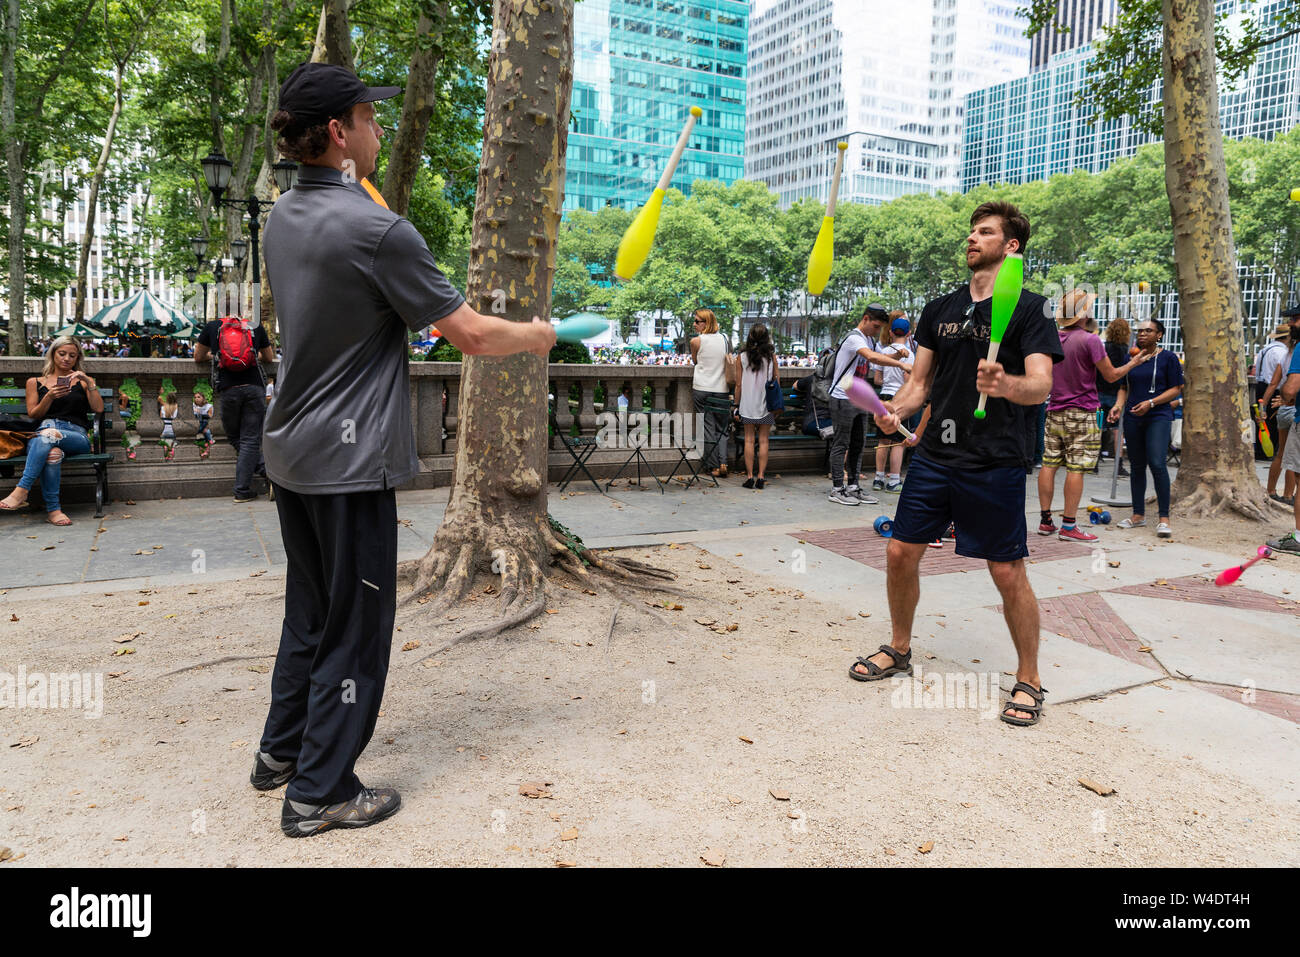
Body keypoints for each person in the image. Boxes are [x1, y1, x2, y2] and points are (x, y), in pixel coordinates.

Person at [254, 61, 556, 839]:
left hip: (290, 450)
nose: (380, 128)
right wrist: (539, 333)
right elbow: (475, 335)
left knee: (310, 613)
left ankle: (280, 754)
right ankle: (320, 792)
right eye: (369, 117)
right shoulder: (378, 229)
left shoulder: (281, 217)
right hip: (349, 464)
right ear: (337, 133)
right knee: (356, 628)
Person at [849, 201, 1063, 727]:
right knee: (900, 551)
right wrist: (894, 410)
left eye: (985, 232)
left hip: (996, 459)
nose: (972, 238)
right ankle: (900, 649)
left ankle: (1030, 679)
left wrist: (1005, 384)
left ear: (1011, 246)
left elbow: (1040, 386)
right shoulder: (940, 308)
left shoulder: (1031, 309)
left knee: (1006, 570)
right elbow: (920, 384)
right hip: (937, 455)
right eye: (971, 231)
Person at [1038, 291, 1151, 541]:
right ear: (1083, 314)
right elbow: (1111, 376)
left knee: (1049, 464)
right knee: (1076, 468)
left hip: (1054, 409)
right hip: (1083, 410)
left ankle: (1046, 521)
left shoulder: (1052, 339)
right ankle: (1068, 526)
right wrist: (1134, 363)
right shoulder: (1090, 341)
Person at [0, 336, 103, 526]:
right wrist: (48, 397)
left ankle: (22, 490)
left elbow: (98, 409)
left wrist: (88, 382)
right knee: (52, 452)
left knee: (47, 437)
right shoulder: (35, 382)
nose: (66, 359)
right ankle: (54, 511)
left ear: (77, 357)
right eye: (62, 354)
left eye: (72, 355)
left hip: (75, 435)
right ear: (53, 354)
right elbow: (34, 413)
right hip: (42, 432)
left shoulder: (82, 382)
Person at [826, 303, 911, 506]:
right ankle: (837, 488)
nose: (877, 330)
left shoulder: (868, 340)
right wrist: (900, 364)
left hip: (860, 399)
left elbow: (877, 361)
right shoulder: (854, 338)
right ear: (865, 319)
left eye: (880, 327)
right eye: (875, 326)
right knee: (841, 444)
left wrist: (896, 356)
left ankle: (853, 487)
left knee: (858, 444)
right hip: (842, 397)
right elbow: (871, 356)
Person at [1108, 317, 1184, 538]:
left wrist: (1151, 403)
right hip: (1133, 416)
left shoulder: (1169, 358)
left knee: (1157, 463)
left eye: (1148, 331)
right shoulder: (1131, 358)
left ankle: (1163, 518)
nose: (1142, 334)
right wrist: (1118, 405)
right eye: (1139, 331)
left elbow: (1176, 389)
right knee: (1137, 465)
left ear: (1159, 335)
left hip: (1158, 415)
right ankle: (1138, 515)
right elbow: (1124, 386)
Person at [194, 314, 274, 503]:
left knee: (235, 437)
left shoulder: (213, 327)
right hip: (254, 387)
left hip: (228, 388)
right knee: (250, 439)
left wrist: (215, 355)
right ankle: (266, 476)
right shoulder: (255, 326)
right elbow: (269, 358)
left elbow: (198, 357)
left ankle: (244, 488)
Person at [871, 316, 913, 493]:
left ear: (890, 332)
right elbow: (908, 381)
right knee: (899, 441)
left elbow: (877, 379)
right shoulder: (910, 354)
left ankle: (878, 478)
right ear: (909, 333)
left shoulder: (883, 351)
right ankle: (894, 480)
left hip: (884, 396)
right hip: (900, 398)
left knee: (883, 439)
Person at [1260, 315, 1299, 504]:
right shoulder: (1290, 354)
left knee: (1281, 452)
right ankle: (1288, 495)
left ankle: (1271, 489)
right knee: (1294, 458)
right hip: (1292, 406)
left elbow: (1273, 383)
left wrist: (1262, 406)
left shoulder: (1283, 356)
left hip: (1281, 407)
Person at [689, 307, 731, 478]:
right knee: (722, 429)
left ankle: (713, 466)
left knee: (707, 427)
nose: (694, 324)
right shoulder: (725, 339)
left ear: (706, 323)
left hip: (702, 388)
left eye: (697, 321)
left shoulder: (696, 342)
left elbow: (695, 360)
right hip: (721, 389)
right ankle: (724, 462)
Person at [1267, 335, 1300, 555]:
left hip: (1291, 412)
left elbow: (1287, 388)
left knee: (1292, 465)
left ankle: (1298, 538)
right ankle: (1286, 495)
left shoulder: (1294, 350)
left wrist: (1284, 399)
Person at [734, 323, 777, 489]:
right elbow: (776, 380)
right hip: (766, 404)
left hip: (747, 404)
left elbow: (738, 385)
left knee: (749, 440)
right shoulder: (771, 357)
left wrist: (736, 405)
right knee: (764, 440)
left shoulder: (742, 357)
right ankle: (761, 477)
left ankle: (750, 476)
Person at [1097, 317, 1131, 468]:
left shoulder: (1103, 349)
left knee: (1098, 426)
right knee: (1118, 429)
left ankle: (1095, 460)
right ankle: (1119, 465)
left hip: (1100, 389)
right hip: (1118, 392)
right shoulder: (1128, 352)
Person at [158, 392, 180, 462]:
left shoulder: (162, 408)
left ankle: (168, 449)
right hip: (175, 433)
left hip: (164, 432)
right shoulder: (179, 408)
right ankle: (172, 449)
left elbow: (161, 421)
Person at [193, 391, 214, 459]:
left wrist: (199, 413)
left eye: (199, 397)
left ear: (203, 398)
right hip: (195, 425)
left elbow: (210, 417)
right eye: (195, 397)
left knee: (207, 431)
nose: (197, 399)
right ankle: (204, 450)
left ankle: (206, 450)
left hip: (205, 424)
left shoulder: (209, 406)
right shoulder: (193, 406)